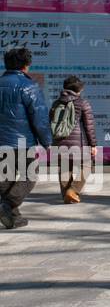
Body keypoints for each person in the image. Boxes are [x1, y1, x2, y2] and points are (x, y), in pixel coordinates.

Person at [0, 47, 51, 229]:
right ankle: (6, 206)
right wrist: (46, 141)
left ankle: (12, 217)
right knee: (29, 175)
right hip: (22, 142)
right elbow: (40, 118)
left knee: (7, 177)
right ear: (26, 66)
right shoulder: (29, 86)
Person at [52, 75, 96, 204]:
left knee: (65, 167)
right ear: (80, 90)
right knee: (87, 165)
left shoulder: (57, 103)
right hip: (79, 142)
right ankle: (73, 191)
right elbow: (89, 126)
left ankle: (67, 195)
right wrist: (93, 144)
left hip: (60, 141)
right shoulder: (82, 103)